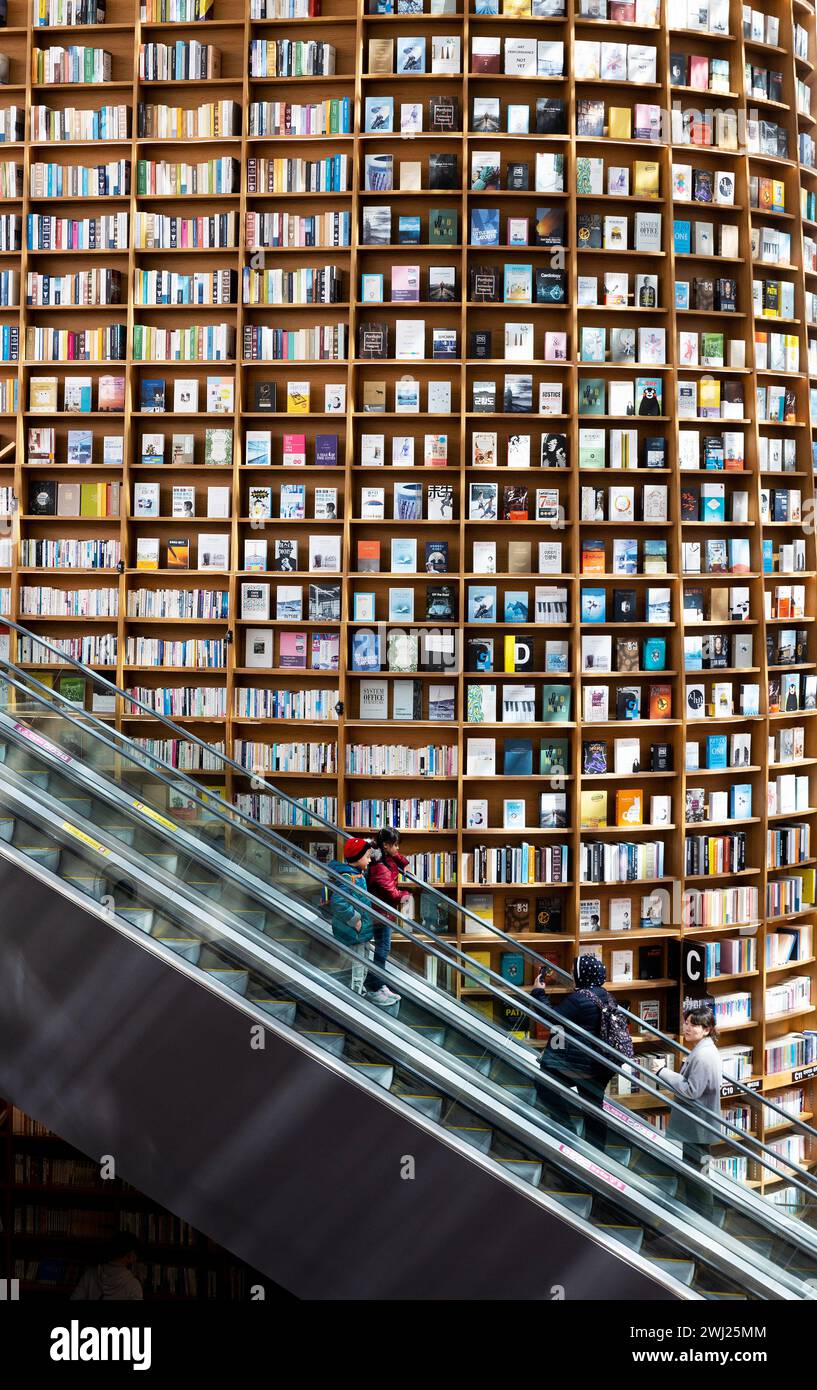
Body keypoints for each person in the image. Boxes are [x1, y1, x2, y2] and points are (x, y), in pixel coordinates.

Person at [531, 954, 616, 1153]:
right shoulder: (606, 995)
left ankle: (567, 1132)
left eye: (573, 971)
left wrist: (538, 991)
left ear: (581, 974)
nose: (571, 975)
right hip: (601, 1066)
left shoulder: (579, 999)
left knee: (544, 1082)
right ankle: (597, 1153)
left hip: (579, 1066)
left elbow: (551, 1018)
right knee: (593, 1107)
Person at [656, 1003, 723, 1221]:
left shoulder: (703, 1056)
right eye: (686, 1022)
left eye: (694, 1024)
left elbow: (691, 1090)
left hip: (698, 1127)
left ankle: (703, 1220)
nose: (687, 1028)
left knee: (698, 1178)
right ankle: (697, 1216)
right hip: (699, 1127)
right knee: (696, 1174)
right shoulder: (704, 1050)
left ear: (706, 1029)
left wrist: (663, 1072)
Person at [364, 827, 409, 1003]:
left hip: (384, 912)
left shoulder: (385, 858)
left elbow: (402, 861)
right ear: (385, 845)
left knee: (383, 949)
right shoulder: (380, 867)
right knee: (382, 950)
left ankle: (379, 984)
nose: (397, 849)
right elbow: (392, 894)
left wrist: (396, 856)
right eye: (395, 845)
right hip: (379, 913)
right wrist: (405, 895)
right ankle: (375, 987)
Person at [328, 838, 375, 995]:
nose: (370, 860)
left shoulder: (358, 874)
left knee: (364, 961)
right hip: (355, 930)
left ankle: (360, 987)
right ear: (357, 858)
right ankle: (356, 993)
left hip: (363, 930)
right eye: (367, 856)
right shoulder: (348, 877)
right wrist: (355, 920)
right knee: (358, 963)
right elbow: (338, 902)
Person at [71, 1233, 143, 1301]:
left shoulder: (90, 1275)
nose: (136, 1258)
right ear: (130, 1255)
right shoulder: (133, 1285)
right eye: (136, 1254)